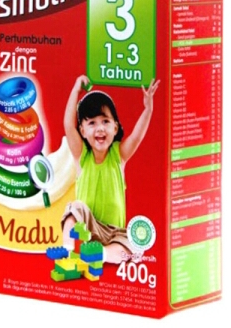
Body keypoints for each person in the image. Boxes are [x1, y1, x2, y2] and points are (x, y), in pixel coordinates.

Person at [62, 75, 160, 264]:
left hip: (115, 232)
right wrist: (75, 90)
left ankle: (102, 254)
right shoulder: (82, 156)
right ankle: (66, 249)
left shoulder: (118, 155)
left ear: (115, 128)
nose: (100, 129)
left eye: (105, 121)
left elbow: (137, 137)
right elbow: (68, 124)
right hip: (88, 227)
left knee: (134, 246)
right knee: (74, 208)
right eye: (92, 123)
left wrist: (148, 109)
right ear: (82, 131)